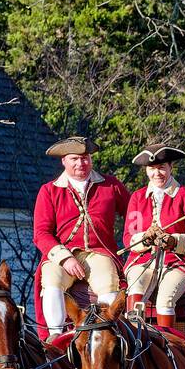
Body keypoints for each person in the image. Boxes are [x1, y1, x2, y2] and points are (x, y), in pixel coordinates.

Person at [32, 134, 130, 341]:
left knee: (108, 282)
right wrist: (64, 258)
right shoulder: (49, 191)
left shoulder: (111, 186)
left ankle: (108, 331)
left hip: (99, 253)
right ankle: (56, 337)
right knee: (51, 279)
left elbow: (135, 214)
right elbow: (41, 233)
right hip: (62, 255)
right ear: (64, 161)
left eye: (85, 157)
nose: (80, 163)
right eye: (74, 158)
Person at [122, 143, 185, 332]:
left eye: (161, 168)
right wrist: (145, 238)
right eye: (152, 169)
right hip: (141, 261)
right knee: (135, 290)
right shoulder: (137, 197)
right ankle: (134, 342)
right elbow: (129, 238)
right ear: (146, 170)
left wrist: (173, 241)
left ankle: (166, 345)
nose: (157, 173)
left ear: (170, 168)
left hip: (178, 262)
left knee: (165, 299)